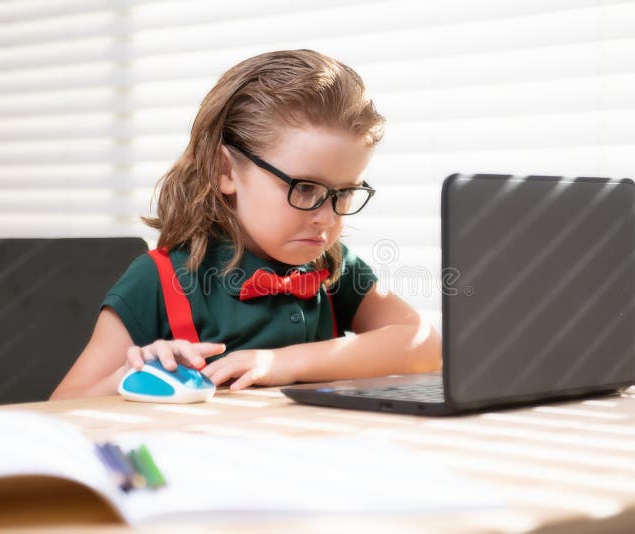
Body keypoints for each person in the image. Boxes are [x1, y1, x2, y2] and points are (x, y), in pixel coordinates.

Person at [51, 49, 441, 400]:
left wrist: (285, 362)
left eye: (345, 193)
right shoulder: (156, 279)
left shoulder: (332, 265)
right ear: (226, 170)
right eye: (305, 188)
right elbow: (62, 405)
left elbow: (425, 344)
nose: (327, 217)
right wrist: (132, 374)